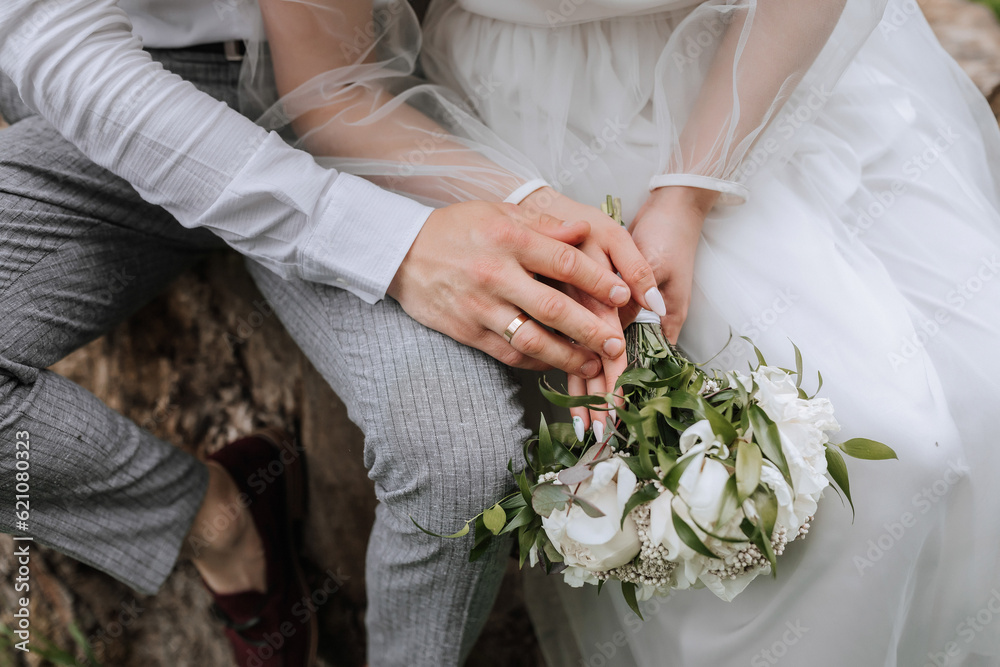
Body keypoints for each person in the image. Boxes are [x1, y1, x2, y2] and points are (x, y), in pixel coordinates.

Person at [256, 0, 1000, 664]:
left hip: (774, 64)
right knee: (855, 471)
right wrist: (536, 214)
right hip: (527, 126)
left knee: (982, 395)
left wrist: (689, 194)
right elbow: (334, 87)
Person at [0, 1, 666, 666]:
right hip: (124, 90)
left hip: (360, 90)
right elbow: (58, 45)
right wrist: (392, 249)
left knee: (457, 452)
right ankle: (221, 524)